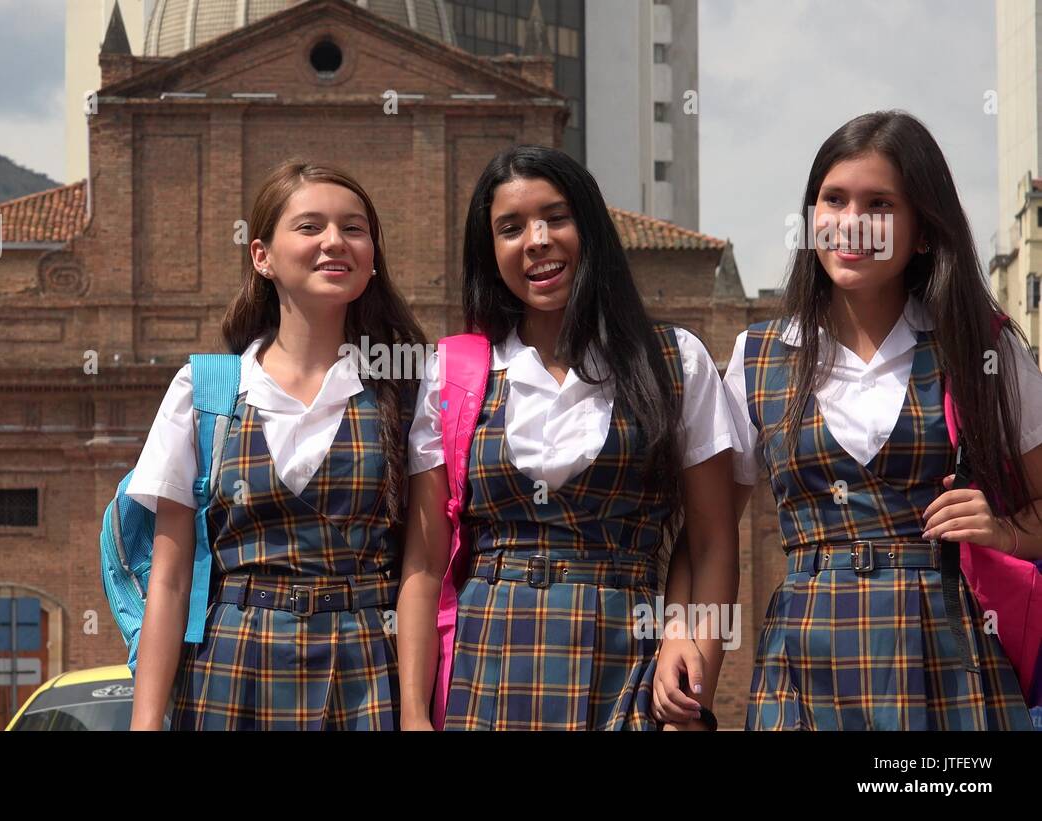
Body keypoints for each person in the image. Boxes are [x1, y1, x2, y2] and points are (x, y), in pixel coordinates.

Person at [397, 145, 740, 730]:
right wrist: (412, 713)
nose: (536, 240)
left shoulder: (675, 362)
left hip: (629, 662)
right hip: (487, 668)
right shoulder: (453, 374)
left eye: (556, 218)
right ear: (492, 252)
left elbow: (712, 540)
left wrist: (694, 683)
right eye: (510, 228)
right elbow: (425, 566)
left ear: (591, 228)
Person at [725, 110, 1038, 730]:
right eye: (833, 199)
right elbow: (709, 531)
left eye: (880, 204)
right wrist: (689, 638)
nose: (851, 223)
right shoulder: (757, 356)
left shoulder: (984, 350)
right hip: (804, 661)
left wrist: (1004, 531)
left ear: (924, 230)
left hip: (947, 659)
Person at [126, 160, 425, 730]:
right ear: (262, 256)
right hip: (229, 669)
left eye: (354, 228)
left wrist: (414, 711)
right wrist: (145, 722)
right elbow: (169, 578)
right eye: (310, 227)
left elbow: (422, 566)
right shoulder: (205, 391)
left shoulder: (409, 389)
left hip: (367, 670)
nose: (334, 241)